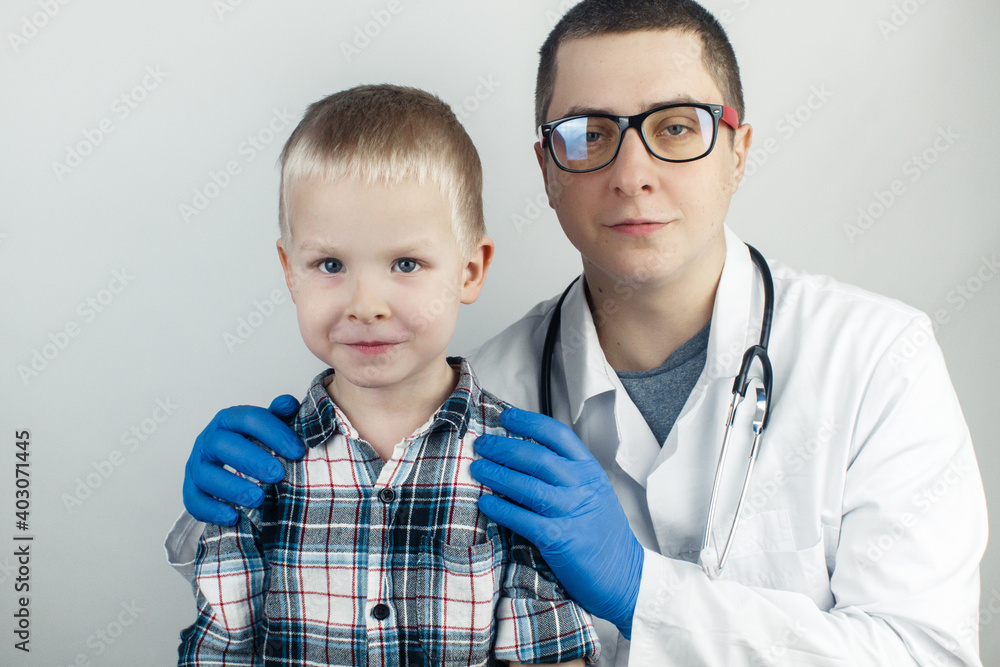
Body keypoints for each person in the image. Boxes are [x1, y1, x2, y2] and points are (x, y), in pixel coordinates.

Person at [168, 1, 988, 664]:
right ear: (546, 170)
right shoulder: (485, 394)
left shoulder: (879, 359)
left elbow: (927, 653)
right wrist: (210, 519)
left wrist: (641, 590)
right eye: (588, 134)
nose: (632, 172)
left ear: (738, 150)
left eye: (676, 127)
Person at [176, 84, 599, 666]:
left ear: (470, 271)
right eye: (330, 264)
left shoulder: (511, 469)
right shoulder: (254, 473)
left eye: (406, 263)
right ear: (289, 272)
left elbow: (550, 657)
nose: (366, 303)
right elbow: (220, 651)